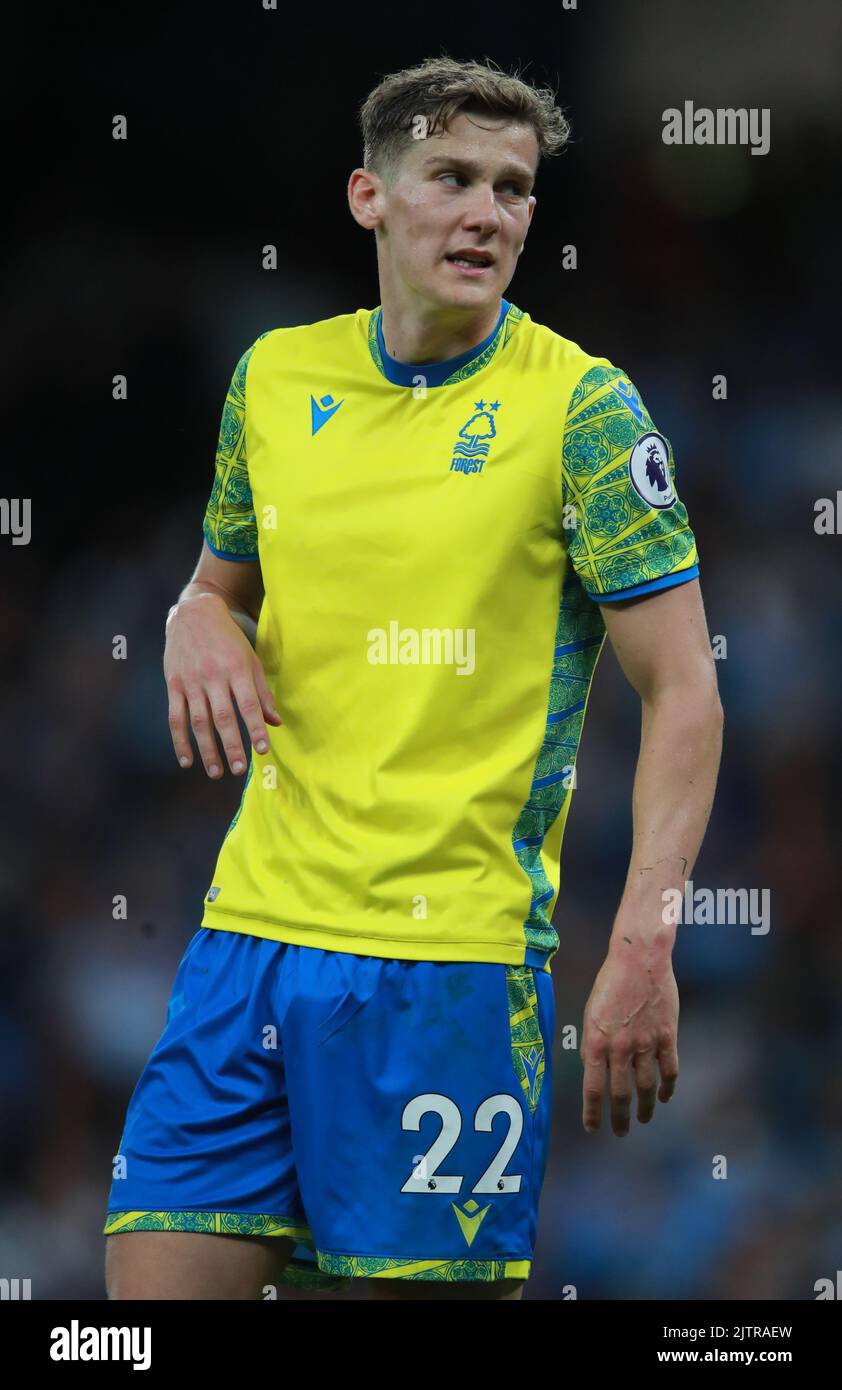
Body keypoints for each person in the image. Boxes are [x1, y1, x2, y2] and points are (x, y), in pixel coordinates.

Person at [104, 55, 723, 1301]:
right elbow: (219, 584)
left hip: (446, 971)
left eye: (512, 188)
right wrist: (189, 614)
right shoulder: (274, 380)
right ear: (367, 197)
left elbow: (684, 693)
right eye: (451, 178)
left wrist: (644, 942)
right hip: (249, 945)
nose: (487, 213)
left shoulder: (583, 412)